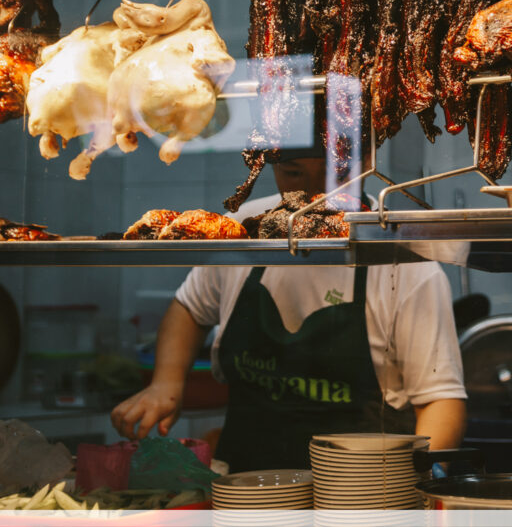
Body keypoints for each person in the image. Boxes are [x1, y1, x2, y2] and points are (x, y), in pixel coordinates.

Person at [111, 148, 467, 472]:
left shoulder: (400, 256)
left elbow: (440, 400)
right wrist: (166, 383)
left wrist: (420, 480)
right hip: (247, 486)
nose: (314, 194)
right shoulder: (247, 228)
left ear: (365, 164)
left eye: (333, 174)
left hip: (360, 492)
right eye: (294, 174)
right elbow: (190, 308)